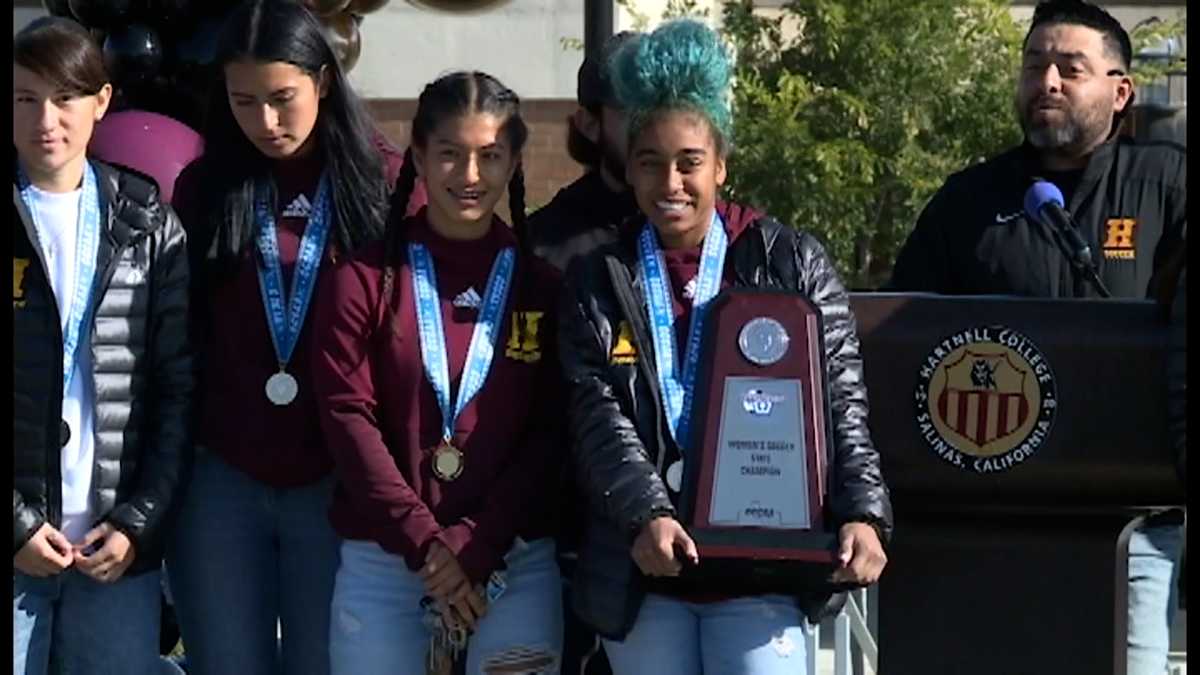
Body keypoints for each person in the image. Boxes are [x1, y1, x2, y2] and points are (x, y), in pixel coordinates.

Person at [558, 19, 892, 674]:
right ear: (629, 167)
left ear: (722, 164)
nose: (670, 183)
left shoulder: (789, 261)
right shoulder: (600, 276)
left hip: (761, 567)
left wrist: (864, 511)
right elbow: (598, 418)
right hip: (647, 567)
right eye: (650, 162)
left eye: (689, 162)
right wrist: (645, 512)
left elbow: (841, 402)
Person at [886, 2, 1186, 673]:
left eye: (1068, 68)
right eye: (1033, 65)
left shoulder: (1169, 185)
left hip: (1132, 526)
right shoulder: (968, 202)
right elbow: (900, 339)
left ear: (1121, 90)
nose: (1045, 80)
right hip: (980, 525)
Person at [164, 2, 404, 674]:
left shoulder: (383, 181)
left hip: (337, 481)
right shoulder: (204, 187)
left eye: (282, 98)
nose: (265, 122)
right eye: (243, 101)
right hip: (222, 479)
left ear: (324, 82)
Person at [311, 71, 565, 674]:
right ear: (419, 155)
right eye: (450, 154)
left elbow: (550, 433)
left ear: (514, 162)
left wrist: (476, 543)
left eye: (489, 156)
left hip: (514, 558)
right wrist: (429, 544)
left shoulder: (544, 288)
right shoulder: (362, 280)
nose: (469, 176)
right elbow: (349, 421)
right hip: (386, 562)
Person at [13, 16, 194, 675]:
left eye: (64, 98)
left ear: (103, 102)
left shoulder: (149, 222)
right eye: (25, 99)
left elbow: (177, 390)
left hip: (112, 554)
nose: (46, 120)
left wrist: (138, 524)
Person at [528, 30, 642, 274]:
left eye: (662, 109)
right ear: (590, 125)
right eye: (634, 112)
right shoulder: (541, 246)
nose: (653, 127)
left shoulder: (713, 233)